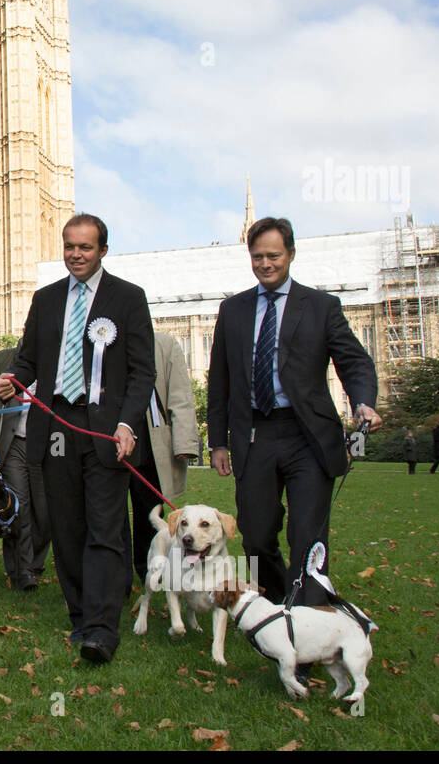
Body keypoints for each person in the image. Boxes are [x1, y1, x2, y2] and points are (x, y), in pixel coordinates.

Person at [0, 213, 156, 665]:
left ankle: (103, 630)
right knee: (67, 528)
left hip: (107, 429)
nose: (76, 254)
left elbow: (143, 372)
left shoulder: (128, 298)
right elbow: (29, 360)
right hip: (56, 425)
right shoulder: (45, 299)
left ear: (103, 250)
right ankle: (82, 615)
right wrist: (14, 378)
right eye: (69, 246)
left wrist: (127, 424)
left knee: (105, 528)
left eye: (85, 247)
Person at [208, 216, 380, 611]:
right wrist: (218, 440)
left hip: (308, 437)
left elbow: (354, 363)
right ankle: (277, 597)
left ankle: (307, 615)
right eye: (257, 257)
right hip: (254, 436)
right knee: (254, 534)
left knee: (307, 535)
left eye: (273, 255)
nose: (265, 264)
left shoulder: (321, 307)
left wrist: (363, 400)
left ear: (291, 255)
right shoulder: (232, 310)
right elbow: (220, 382)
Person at [0, 338, 50, 591]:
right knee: (18, 507)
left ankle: (35, 562)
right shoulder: (2, 359)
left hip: (49, 444)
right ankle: (22, 571)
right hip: (15, 442)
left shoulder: (57, 359)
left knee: (46, 510)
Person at [130, 331, 200, 583]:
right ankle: (118, 576)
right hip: (109, 438)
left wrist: (185, 442)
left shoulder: (164, 343)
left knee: (149, 511)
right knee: (108, 513)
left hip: (149, 439)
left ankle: (149, 568)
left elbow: (180, 395)